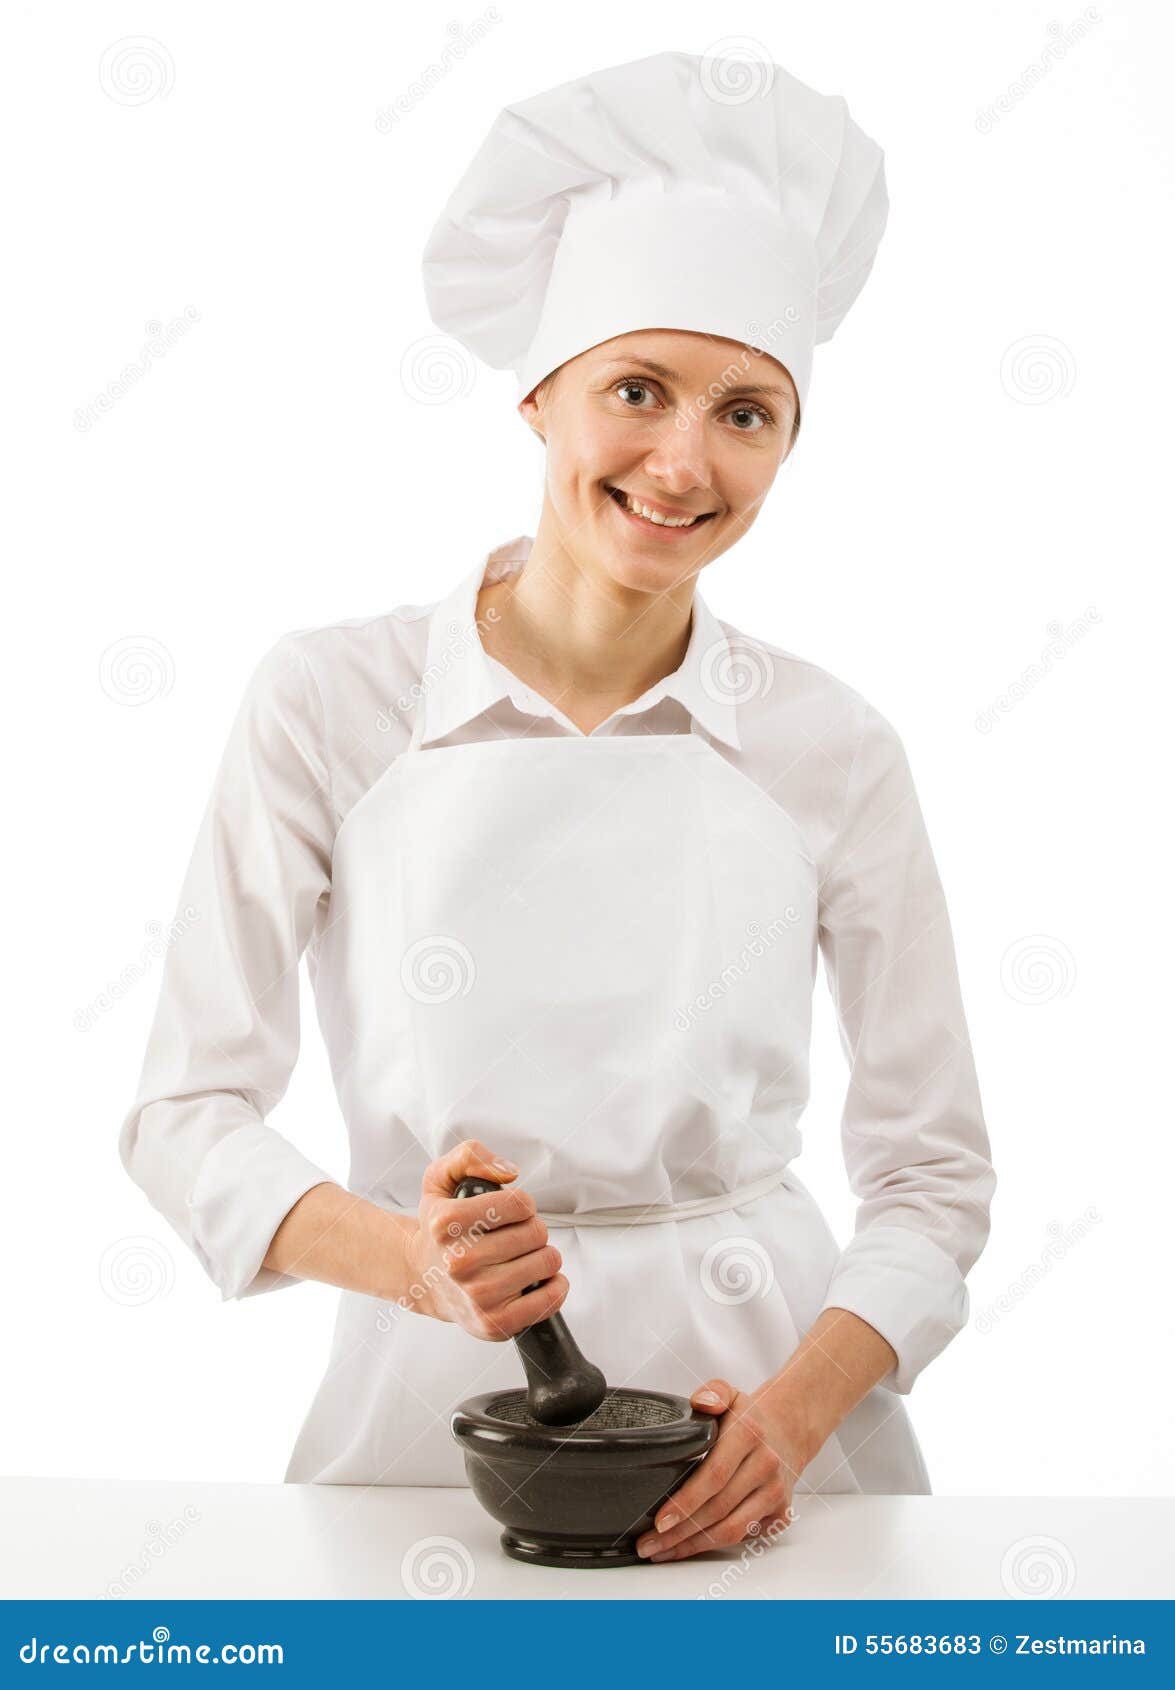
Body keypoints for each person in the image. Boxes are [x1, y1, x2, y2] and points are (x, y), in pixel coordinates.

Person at [119, 50, 995, 1562]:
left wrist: (791, 1413)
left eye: (747, 411)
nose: (682, 460)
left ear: (791, 442)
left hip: (771, 1443)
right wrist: (409, 1262)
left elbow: (934, 1174)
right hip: (428, 1418)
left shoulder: (832, 745)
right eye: (635, 389)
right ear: (538, 394)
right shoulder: (333, 702)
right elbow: (184, 1115)